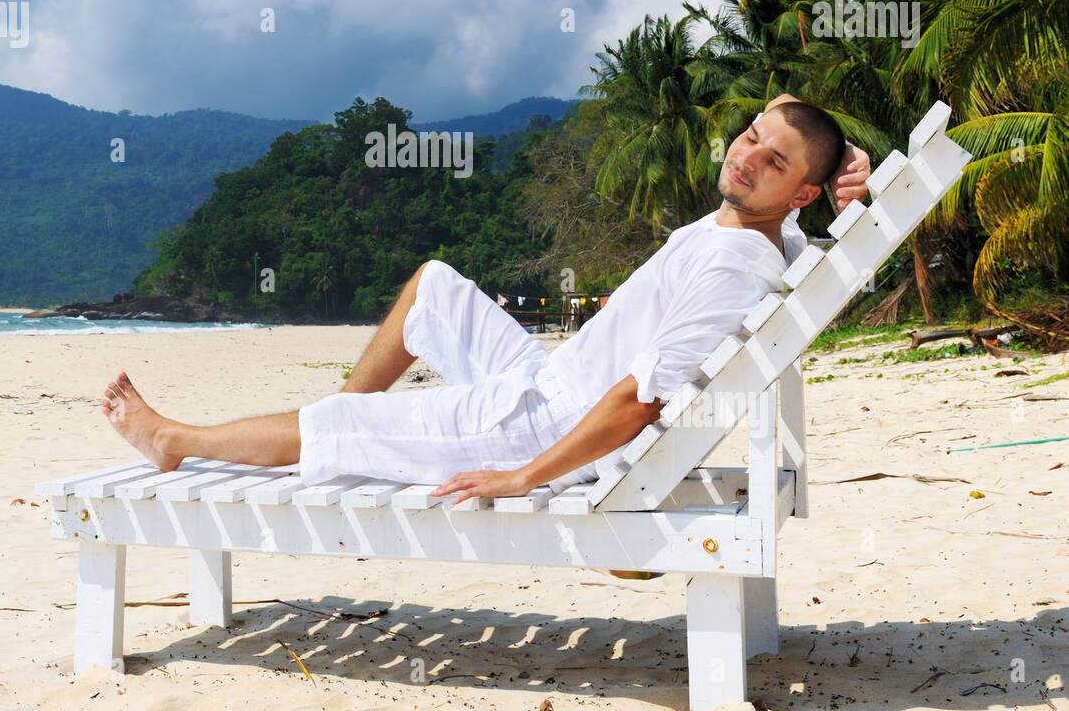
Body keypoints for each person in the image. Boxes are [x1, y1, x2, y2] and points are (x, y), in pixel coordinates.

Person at [99, 95, 870, 503]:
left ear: (797, 190)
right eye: (748, 138)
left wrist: (523, 476)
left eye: (773, 161)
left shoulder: (737, 263)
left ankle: (179, 440)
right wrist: (844, 160)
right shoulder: (768, 227)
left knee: (338, 421)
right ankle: (357, 433)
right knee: (433, 288)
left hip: (541, 427)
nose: (747, 158)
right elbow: (788, 106)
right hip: (546, 380)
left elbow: (642, 403)